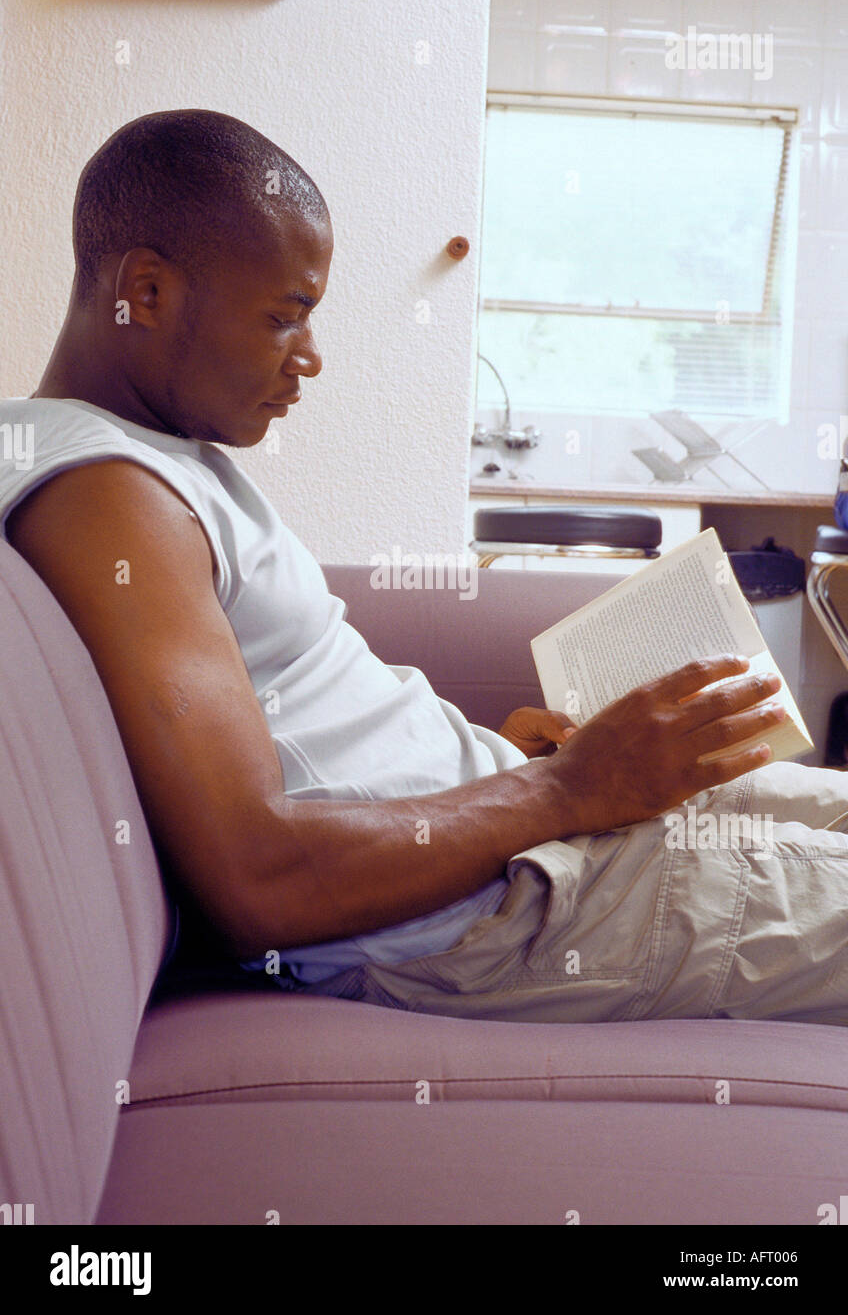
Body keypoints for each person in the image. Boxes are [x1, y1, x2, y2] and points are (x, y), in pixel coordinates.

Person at [3, 109, 848, 1026]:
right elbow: (259, 880)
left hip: (516, 833)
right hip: (506, 909)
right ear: (149, 291)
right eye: (285, 318)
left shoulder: (148, 456)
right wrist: (570, 788)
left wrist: (511, 771)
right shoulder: (104, 497)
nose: (312, 358)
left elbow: (308, 731)